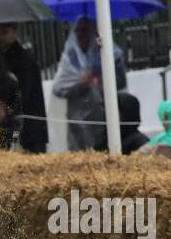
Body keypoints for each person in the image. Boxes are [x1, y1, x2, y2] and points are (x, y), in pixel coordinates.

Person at [52, 16, 127, 151]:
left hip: (104, 117)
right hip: (78, 121)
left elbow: (121, 81)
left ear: (93, 32)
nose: (80, 34)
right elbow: (58, 88)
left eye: (85, 30)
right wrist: (81, 85)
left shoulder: (109, 55)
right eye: (78, 31)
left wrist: (101, 80)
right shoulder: (70, 58)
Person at [0, 23, 47, 153]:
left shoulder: (25, 59)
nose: (0, 37)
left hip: (29, 130)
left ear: (16, 32)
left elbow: (24, 95)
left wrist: (7, 111)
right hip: (8, 127)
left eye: (4, 32)